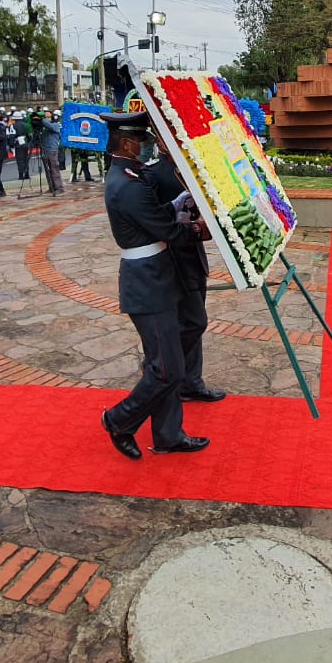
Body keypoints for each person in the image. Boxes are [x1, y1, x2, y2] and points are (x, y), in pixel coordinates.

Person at [97, 110, 213, 459]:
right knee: (166, 368)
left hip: (157, 276)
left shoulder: (129, 176)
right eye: (141, 142)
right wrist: (202, 229)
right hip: (148, 283)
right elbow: (168, 231)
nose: (144, 148)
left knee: (169, 364)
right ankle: (118, 419)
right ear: (128, 142)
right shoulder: (128, 184)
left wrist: (176, 205)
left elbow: (158, 216)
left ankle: (167, 435)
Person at [144, 143, 227, 403]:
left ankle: (191, 381)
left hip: (193, 254)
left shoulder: (195, 168)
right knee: (192, 321)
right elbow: (154, 221)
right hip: (172, 257)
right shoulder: (154, 174)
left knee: (193, 318)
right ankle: (159, 367)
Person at [38, 110, 65, 195]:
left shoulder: (56, 125)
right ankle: (52, 187)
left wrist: (42, 119)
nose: (46, 119)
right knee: (47, 170)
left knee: (54, 169)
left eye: (48, 117)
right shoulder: (44, 127)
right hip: (45, 150)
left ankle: (59, 187)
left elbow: (50, 126)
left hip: (52, 150)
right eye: (45, 117)